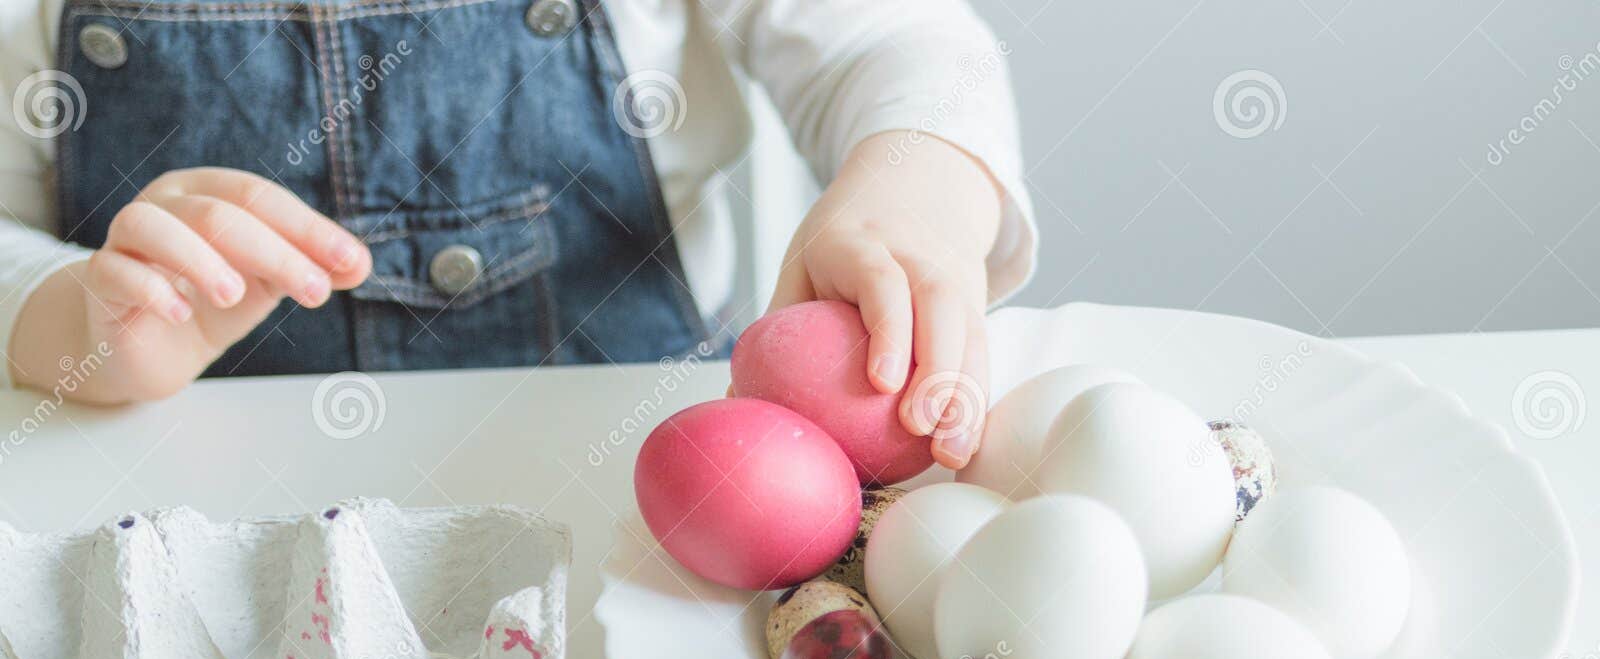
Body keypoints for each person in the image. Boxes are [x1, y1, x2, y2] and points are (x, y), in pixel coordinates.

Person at [0, 0, 1034, 468]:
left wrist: (915, 185)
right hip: (202, 526)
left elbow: (902, 42)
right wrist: (76, 319)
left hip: (645, 505)